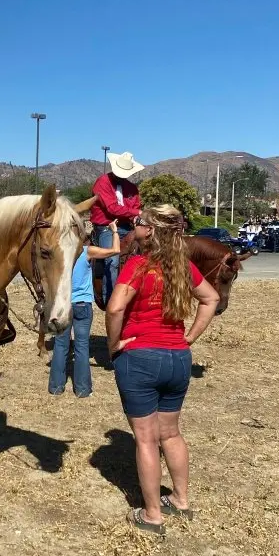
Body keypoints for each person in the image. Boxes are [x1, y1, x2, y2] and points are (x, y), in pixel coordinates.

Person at [105, 205, 220, 536]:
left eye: (139, 222)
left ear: (151, 231)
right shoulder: (184, 267)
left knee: (146, 439)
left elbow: (114, 308)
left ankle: (152, 514)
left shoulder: (138, 265)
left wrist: (114, 345)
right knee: (170, 433)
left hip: (141, 358)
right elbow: (211, 298)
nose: (135, 225)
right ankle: (180, 500)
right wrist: (190, 337)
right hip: (178, 359)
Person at [49, 221, 121, 398]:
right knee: (82, 346)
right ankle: (82, 389)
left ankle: (56, 387)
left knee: (60, 345)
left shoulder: (58, 253)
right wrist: (114, 231)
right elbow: (115, 250)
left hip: (63, 305)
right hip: (82, 304)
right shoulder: (87, 251)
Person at [90, 151, 143, 305]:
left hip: (126, 226)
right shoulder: (102, 182)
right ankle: (112, 300)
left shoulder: (131, 188)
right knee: (112, 259)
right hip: (106, 226)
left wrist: (135, 216)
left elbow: (135, 207)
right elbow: (112, 209)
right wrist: (136, 213)